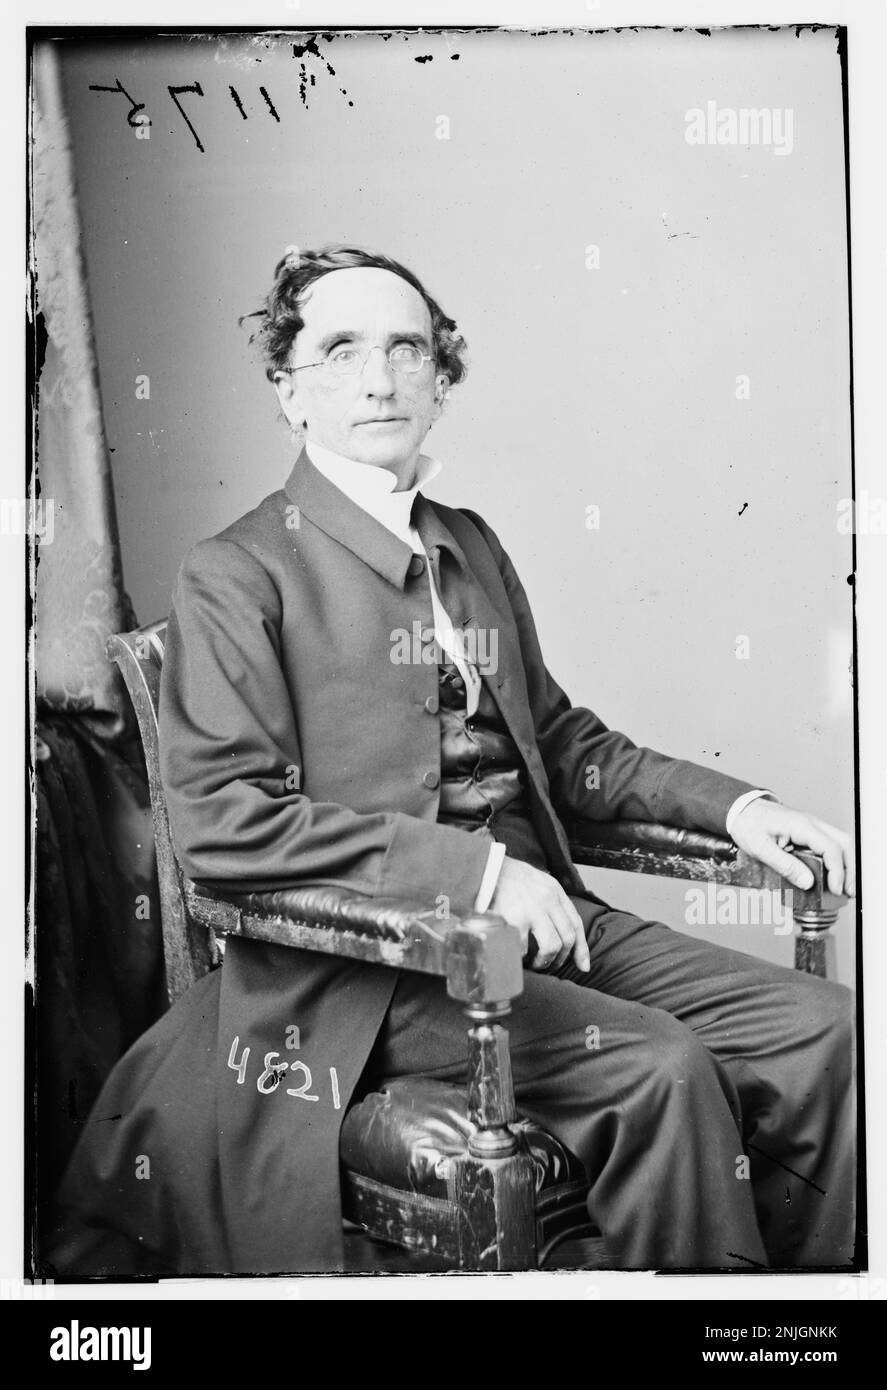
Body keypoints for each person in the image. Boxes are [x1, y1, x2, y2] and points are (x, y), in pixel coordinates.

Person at [47, 245, 856, 1277]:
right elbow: (221, 820)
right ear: (288, 392)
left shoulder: (468, 543)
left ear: (440, 381)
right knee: (661, 1068)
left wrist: (734, 807)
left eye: (405, 348)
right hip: (379, 971)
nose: (378, 376)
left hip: (548, 925)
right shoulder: (238, 570)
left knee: (828, 1032)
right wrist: (477, 876)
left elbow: (563, 747)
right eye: (340, 350)